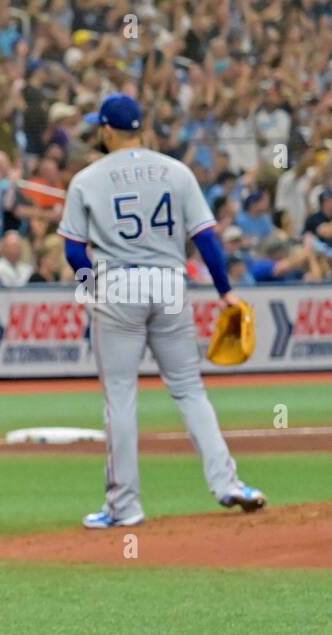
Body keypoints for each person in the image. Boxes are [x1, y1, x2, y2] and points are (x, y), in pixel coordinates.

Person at [58, 94, 265, 528]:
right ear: (142, 128)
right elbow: (206, 237)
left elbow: (74, 250)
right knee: (190, 389)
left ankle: (125, 507)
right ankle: (228, 483)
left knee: (120, 396)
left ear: (108, 130)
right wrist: (224, 290)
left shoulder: (87, 178)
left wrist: (93, 286)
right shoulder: (177, 171)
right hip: (170, 283)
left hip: (118, 284)